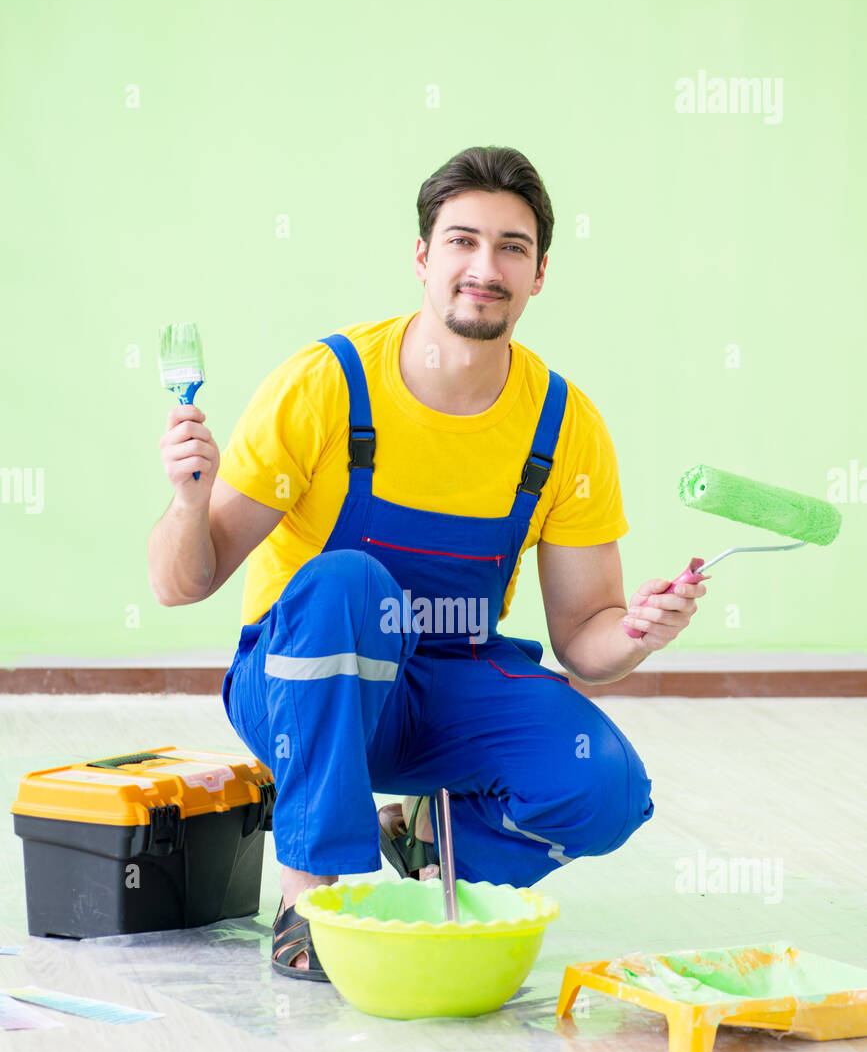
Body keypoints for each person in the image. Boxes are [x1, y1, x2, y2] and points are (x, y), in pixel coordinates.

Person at [147, 145, 707, 983]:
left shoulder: (563, 427)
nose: (485, 267)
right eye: (462, 241)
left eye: (511, 248)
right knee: (348, 582)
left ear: (539, 273)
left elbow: (585, 642)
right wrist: (191, 502)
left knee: (606, 789)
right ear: (422, 257)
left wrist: (637, 632)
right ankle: (310, 893)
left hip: (451, 685)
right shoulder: (326, 385)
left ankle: (428, 842)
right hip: (305, 690)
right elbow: (180, 583)